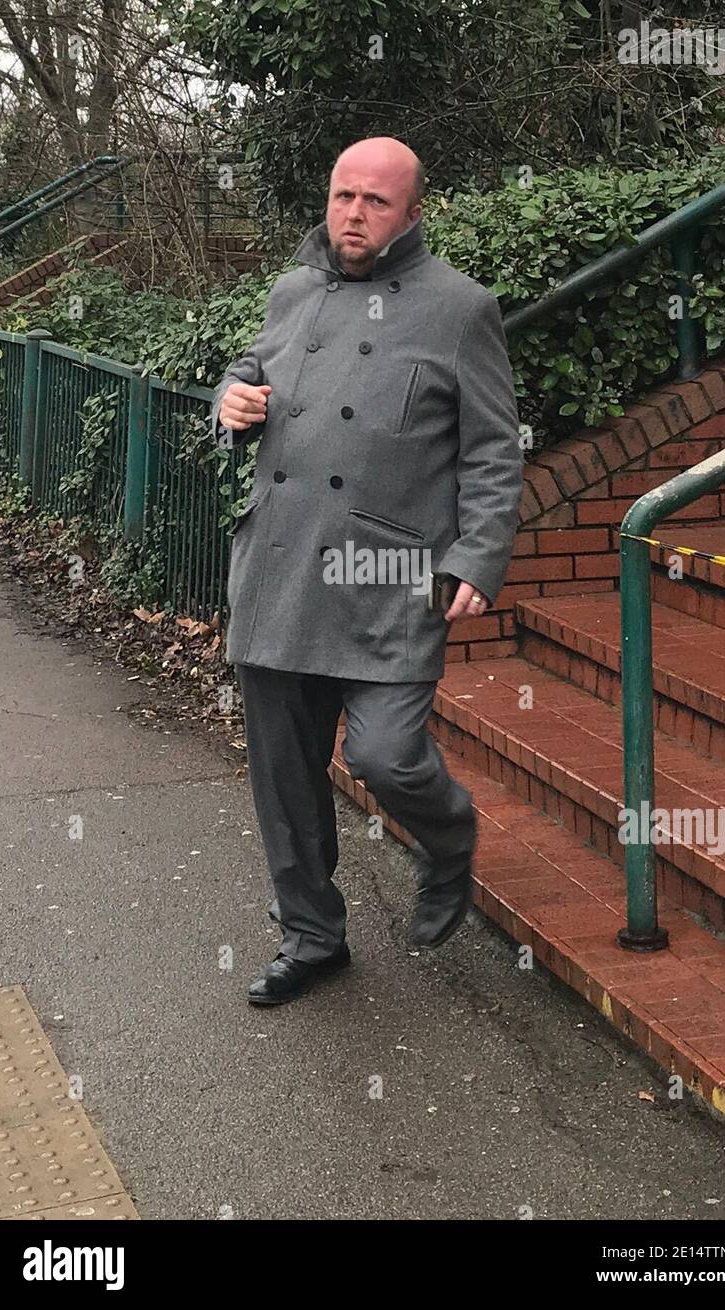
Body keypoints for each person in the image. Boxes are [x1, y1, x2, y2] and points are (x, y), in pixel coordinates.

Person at [210, 136, 522, 1006]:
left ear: (413, 212)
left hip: (388, 575)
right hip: (278, 566)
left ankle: (448, 836)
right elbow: (252, 373)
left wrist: (478, 554)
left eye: (375, 202)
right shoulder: (292, 289)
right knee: (282, 775)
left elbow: (494, 451)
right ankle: (311, 936)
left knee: (387, 757)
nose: (353, 214)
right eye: (344, 195)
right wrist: (228, 406)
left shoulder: (460, 308)